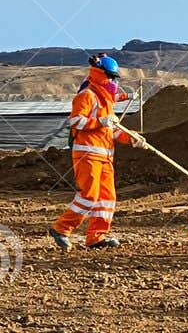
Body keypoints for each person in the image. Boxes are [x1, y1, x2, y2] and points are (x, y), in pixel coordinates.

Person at [49, 54, 137, 250]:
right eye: (111, 77)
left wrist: (131, 139)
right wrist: (99, 122)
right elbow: (75, 121)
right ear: (100, 74)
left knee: (107, 198)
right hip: (88, 154)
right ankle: (61, 228)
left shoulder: (106, 101)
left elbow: (111, 130)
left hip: (105, 157)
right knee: (89, 195)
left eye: (116, 78)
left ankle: (96, 237)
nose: (114, 82)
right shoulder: (87, 96)